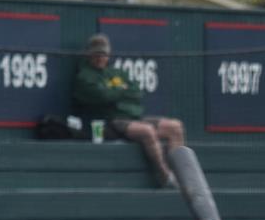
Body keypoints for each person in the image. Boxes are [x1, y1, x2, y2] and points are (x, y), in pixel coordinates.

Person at [71, 33, 184, 189]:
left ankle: (180, 174)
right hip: (109, 123)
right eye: (96, 53)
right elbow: (102, 96)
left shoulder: (117, 73)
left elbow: (136, 92)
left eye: (103, 53)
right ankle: (164, 175)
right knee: (147, 130)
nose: (100, 57)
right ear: (89, 54)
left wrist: (115, 91)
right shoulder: (85, 76)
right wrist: (119, 91)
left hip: (133, 117)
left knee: (175, 127)